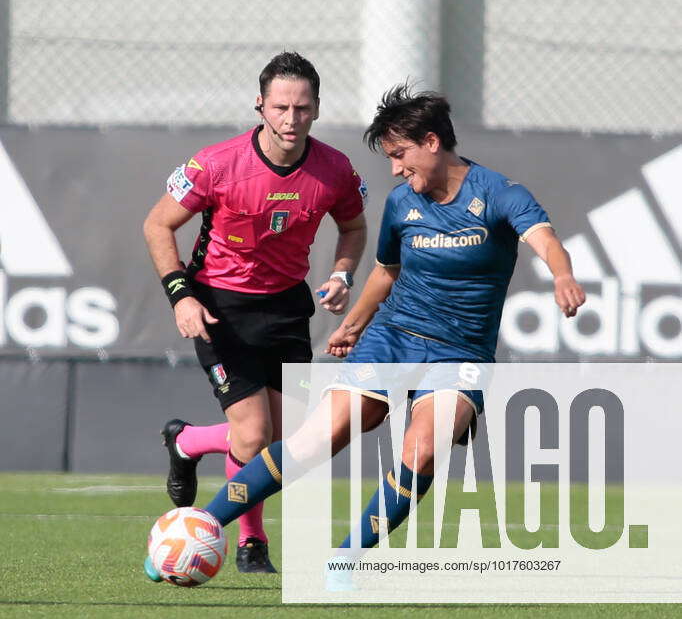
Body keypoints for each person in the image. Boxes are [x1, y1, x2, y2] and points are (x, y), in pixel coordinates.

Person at [144, 83, 586, 582]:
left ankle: (345, 559)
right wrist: (353, 325)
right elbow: (386, 271)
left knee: (421, 453)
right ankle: (198, 526)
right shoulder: (402, 203)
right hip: (393, 337)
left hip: (461, 352)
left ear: (432, 143)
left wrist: (563, 275)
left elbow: (544, 239)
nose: (396, 168)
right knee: (315, 439)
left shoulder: (501, 194)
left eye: (401, 155)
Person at [142, 51, 367, 573]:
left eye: (303, 108)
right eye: (281, 107)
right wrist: (183, 296)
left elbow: (353, 228)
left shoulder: (334, 169)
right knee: (251, 434)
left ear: (316, 110)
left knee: (288, 443)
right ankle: (251, 541)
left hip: (287, 308)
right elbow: (157, 225)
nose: (291, 119)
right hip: (220, 306)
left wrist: (342, 274)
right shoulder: (216, 164)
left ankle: (188, 440)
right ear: (260, 106)